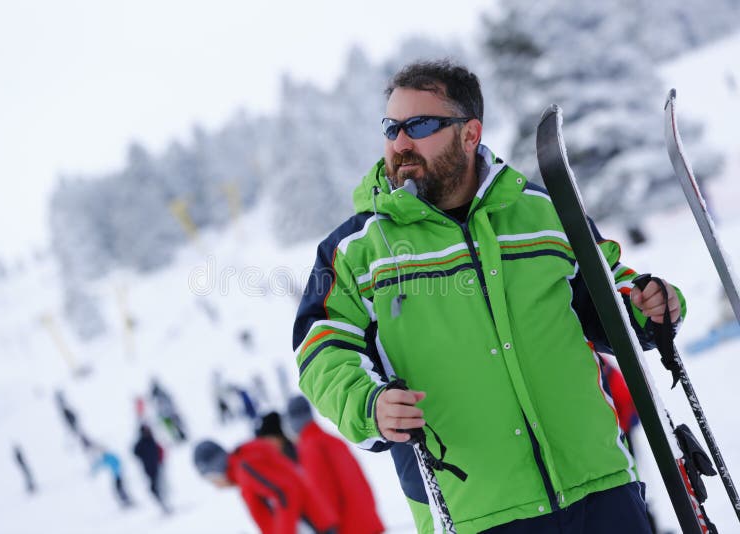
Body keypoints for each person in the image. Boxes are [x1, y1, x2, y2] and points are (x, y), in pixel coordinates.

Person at [292, 59, 685, 533]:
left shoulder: (543, 214)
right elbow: (321, 348)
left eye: (418, 125)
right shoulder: (356, 251)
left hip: (600, 487)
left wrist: (650, 305)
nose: (400, 143)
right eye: (391, 127)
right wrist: (368, 405)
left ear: (470, 133)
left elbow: (611, 291)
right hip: (476, 512)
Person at [192, 437, 338, 534]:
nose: (216, 486)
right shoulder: (245, 464)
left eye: (211, 479)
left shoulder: (245, 468)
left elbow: (285, 492)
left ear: (216, 470)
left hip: (314, 526)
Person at [286, 395, 385, 534]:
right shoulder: (332, 440)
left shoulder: (309, 447)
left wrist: (327, 528)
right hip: (367, 521)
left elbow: (322, 493)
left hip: (347, 527)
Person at [133, 424, 171, 514]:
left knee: (160, 486)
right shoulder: (141, 443)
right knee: (154, 487)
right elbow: (135, 452)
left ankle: (165, 504)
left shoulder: (152, 440)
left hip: (157, 467)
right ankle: (162, 504)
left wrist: (160, 460)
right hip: (148, 468)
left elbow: (160, 451)